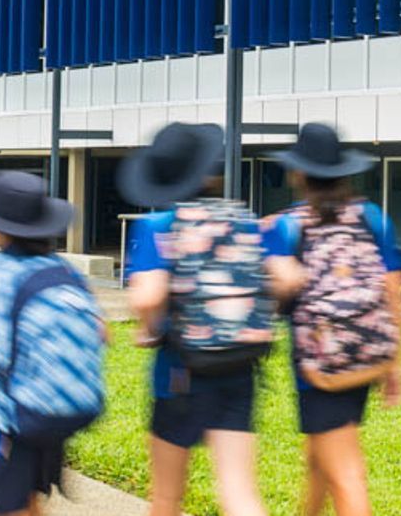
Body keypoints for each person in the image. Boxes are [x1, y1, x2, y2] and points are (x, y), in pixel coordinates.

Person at [122, 123, 289, 516]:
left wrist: (148, 329)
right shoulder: (248, 221)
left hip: (180, 375)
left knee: (167, 498)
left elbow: (147, 297)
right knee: (239, 493)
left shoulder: (159, 227)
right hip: (240, 367)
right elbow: (287, 280)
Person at [272, 123, 401, 516]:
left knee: (347, 474)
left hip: (321, 364)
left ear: (298, 174)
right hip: (366, 354)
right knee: (320, 458)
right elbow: (393, 292)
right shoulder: (371, 218)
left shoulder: (289, 227)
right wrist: (395, 362)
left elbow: (280, 291)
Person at [0, 171, 106, 516]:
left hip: (9, 418)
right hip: (55, 413)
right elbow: (100, 332)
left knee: (9, 507)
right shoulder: (66, 271)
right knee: (29, 502)